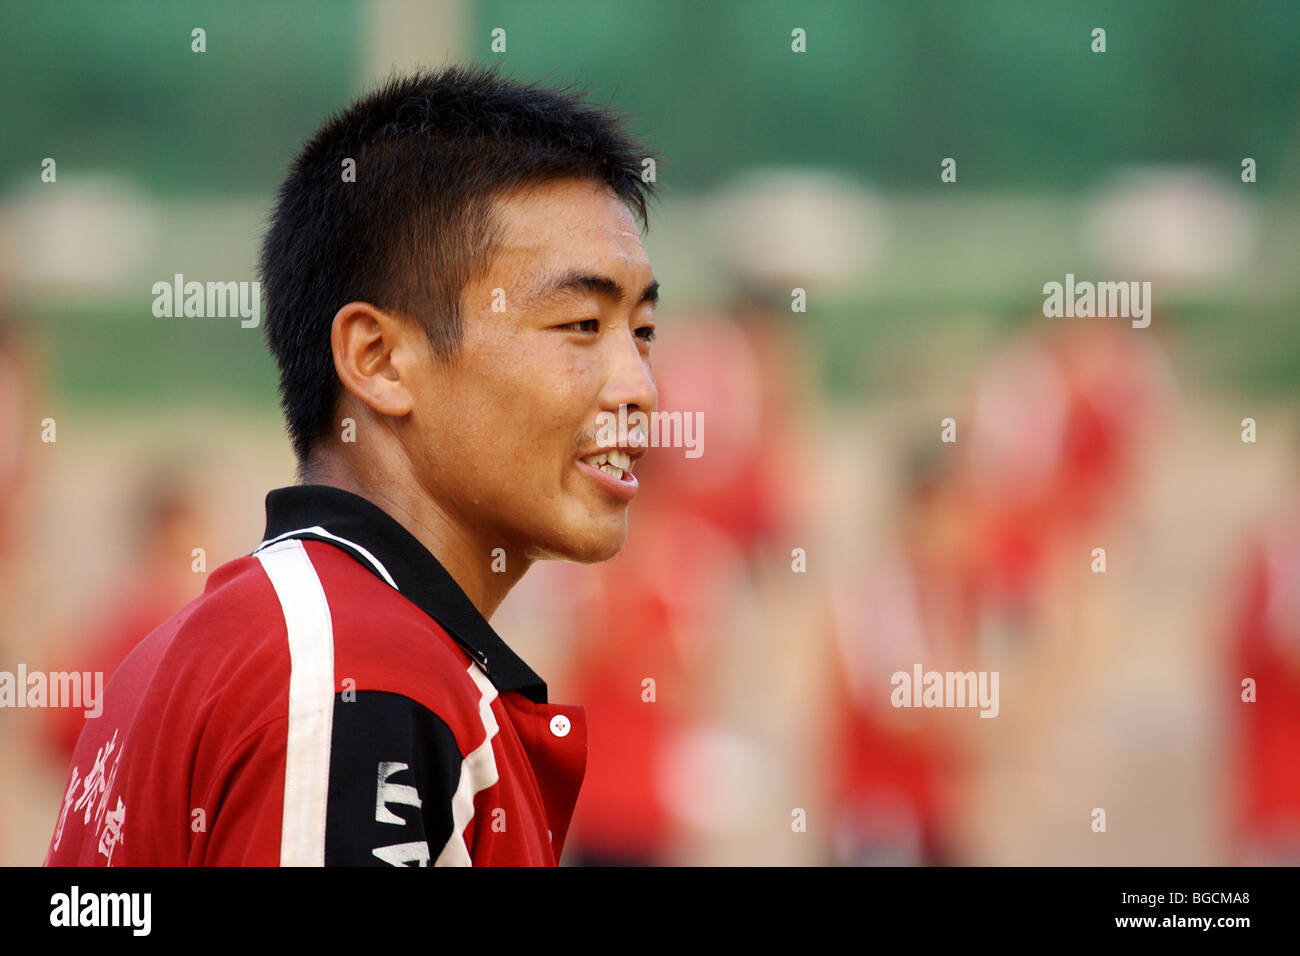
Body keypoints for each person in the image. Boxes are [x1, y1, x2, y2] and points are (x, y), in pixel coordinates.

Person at [45, 65, 659, 866]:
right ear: (379, 360)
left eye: (642, 332)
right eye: (581, 324)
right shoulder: (355, 683)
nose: (640, 387)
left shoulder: (214, 651)